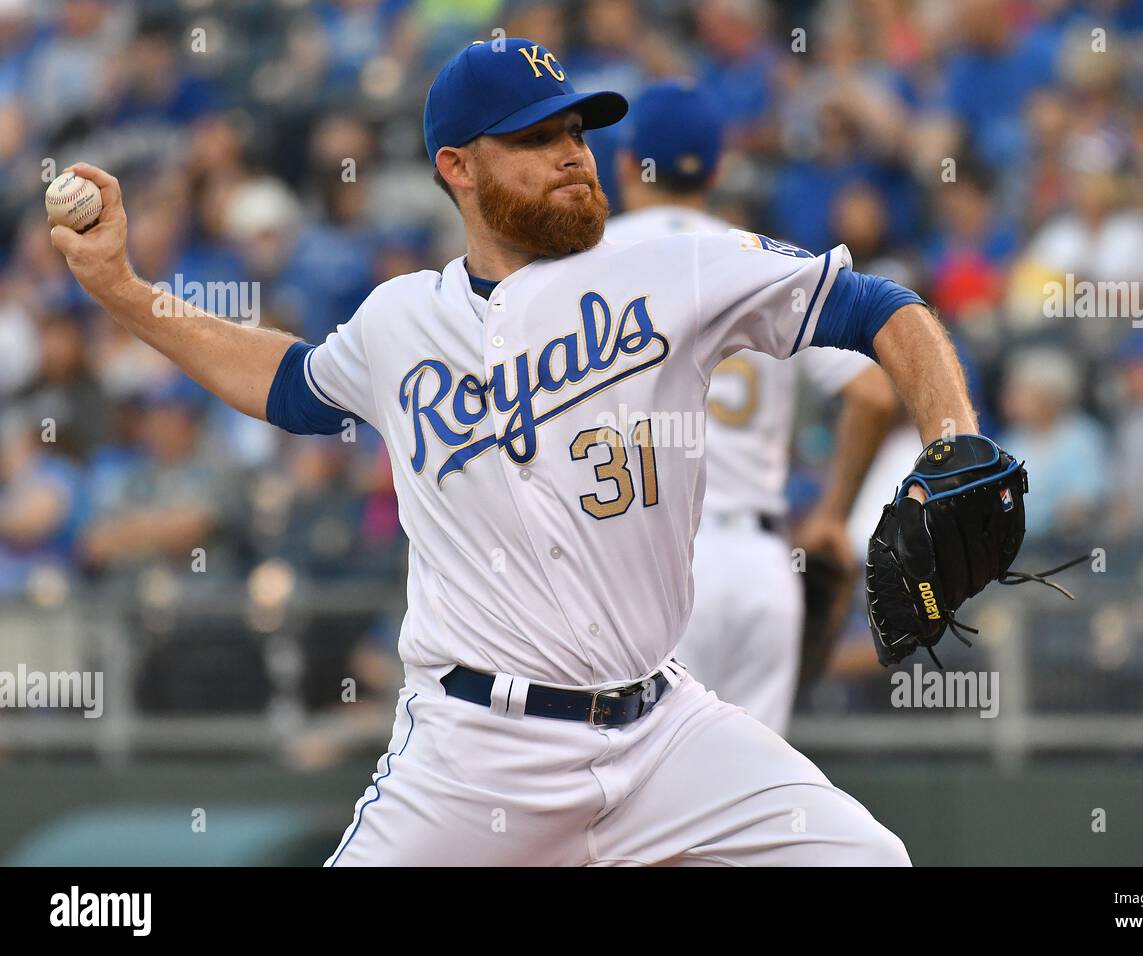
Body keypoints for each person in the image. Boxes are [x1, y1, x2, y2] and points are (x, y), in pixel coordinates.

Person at [50, 38, 985, 867]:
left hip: (662, 730)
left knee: (868, 858)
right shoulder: (398, 319)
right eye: (537, 139)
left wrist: (953, 434)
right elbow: (290, 384)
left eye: (578, 132)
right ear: (457, 166)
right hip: (471, 752)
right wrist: (128, 292)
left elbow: (880, 309)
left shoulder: (674, 266)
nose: (574, 155)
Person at [605, 80, 897, 736]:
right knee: (744, 813)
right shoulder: (765, 260)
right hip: (763, 569)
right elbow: (875, 392)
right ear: (715, 170)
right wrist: (830, 517)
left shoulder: (591, 262)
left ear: (627, 165)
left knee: (637, 805)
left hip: (648, 561)